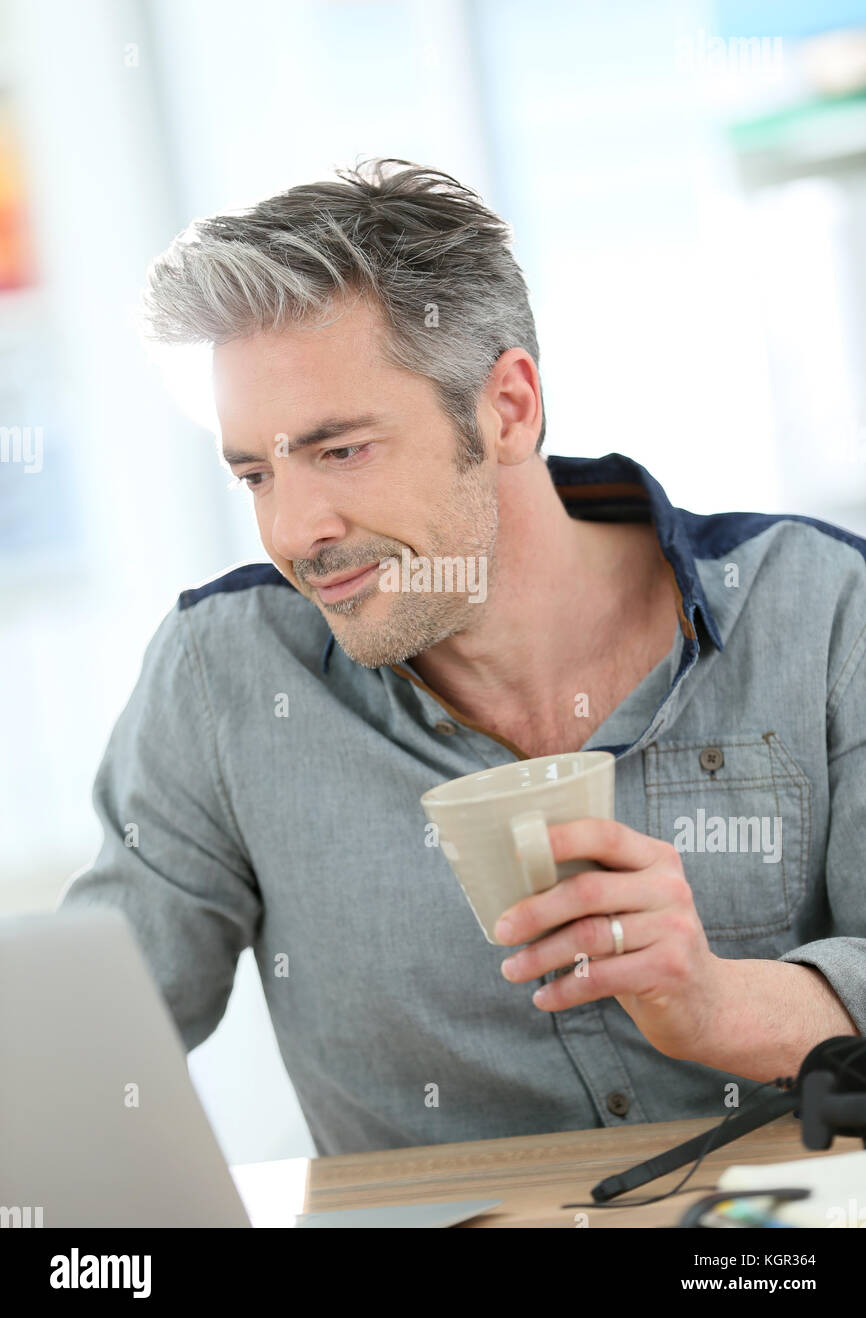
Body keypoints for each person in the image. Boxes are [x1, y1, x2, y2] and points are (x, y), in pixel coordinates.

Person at [60, 158, 864, 1156]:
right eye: (256, 473)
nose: (297, 528)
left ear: (508, 408)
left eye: (341, 450)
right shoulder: (221, 678)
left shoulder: (822, 610)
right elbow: (82, 1044)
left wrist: (717, 1003)